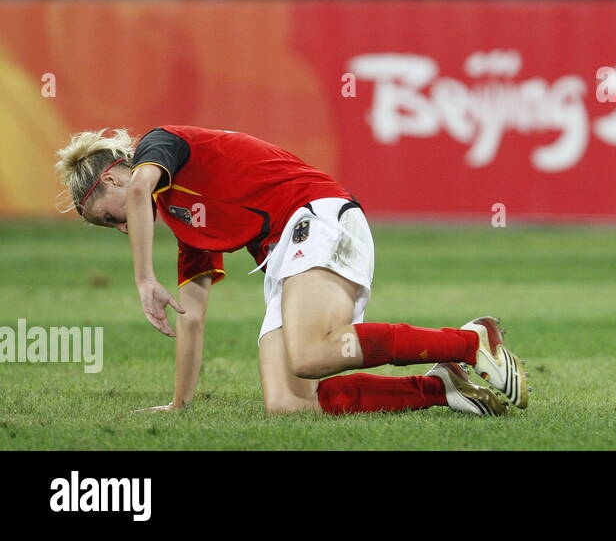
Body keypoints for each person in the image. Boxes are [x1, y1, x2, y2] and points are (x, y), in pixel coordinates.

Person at [55, 125, 530, 416]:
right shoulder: (186, 222)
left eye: (109, 217)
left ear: (114, 177)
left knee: (307, 355)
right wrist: (179, 404)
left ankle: (471, 341)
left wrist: (142, 279)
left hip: (315, 216)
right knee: (287, 404)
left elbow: (140, 193)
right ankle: (439, 389)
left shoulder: (159, 144)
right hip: (286, 255)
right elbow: (192, 316)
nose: (120, 228)